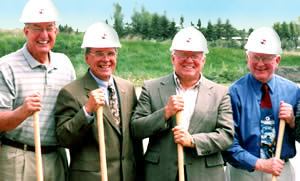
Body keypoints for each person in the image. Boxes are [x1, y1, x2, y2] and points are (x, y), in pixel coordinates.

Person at [130, 27, 234, 181]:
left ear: (203, 60)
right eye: (183, 55)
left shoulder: (220, 93)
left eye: (195, 56)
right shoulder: (151, 87)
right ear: (173, 58)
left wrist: (193, 141)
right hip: (161, 173)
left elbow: (226, 136)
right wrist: (165, 113)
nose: (189, 60)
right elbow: (136, 129)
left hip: (204, 174)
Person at [55, 22, 144, 181]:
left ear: (116, 56)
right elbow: (64, 138)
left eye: (110, 53)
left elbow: (135, 140)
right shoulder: (70, 92)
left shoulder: (128, 88)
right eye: (99, 53)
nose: (106, 59)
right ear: (87, 57)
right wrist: (87, 111)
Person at [0, 0, 76, 180]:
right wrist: (23, 112)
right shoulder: (6, 66)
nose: (44, 35)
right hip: (18, 158)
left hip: (56, 158)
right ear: (26, 31)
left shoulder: (64, 64)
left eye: (49, 27)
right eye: (37, 28)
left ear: (56, 31)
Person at [223, 27, 300, 181]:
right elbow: (227, 143)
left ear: (277, 60)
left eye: (266, 58)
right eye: (255, 57)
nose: (260, 63)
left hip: (281, 171)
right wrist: (260, 164)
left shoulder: (293, 91)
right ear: (247, 58)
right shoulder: (233, 93)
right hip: (244, 172)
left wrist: (292, 122)